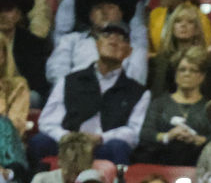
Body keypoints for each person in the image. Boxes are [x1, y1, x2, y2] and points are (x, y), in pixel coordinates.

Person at [33, 23, 147, 166]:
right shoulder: (70, 80)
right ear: (97, 44)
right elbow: (47, 121)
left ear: (129, 51)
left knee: (119, 147)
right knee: (40, 142)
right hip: (68, 143)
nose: (113, 41)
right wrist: (68, 137)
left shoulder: (137, 91)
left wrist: (100, 138)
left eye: (121, 39)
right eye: (107, 36)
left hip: (104, 146)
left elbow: (134, 132)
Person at [133, 45, 211, 165]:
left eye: (193, 70)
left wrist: (197, 139)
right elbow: (145, 135)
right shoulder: (159, 103)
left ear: (202, 76)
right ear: (175, 74)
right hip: (161, 160)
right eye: (182, 69)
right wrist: (168, 136)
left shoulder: (209, 107)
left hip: (197, 162)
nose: (186, 74)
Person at [46, 0, 148, 87]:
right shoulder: (71, 41)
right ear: (91, 15)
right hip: (70, 100)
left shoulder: (134, 50)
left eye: (110, 7)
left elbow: (135, 85)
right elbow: (56, 71)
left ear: (121, 14)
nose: (104, 12)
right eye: (99, 8)